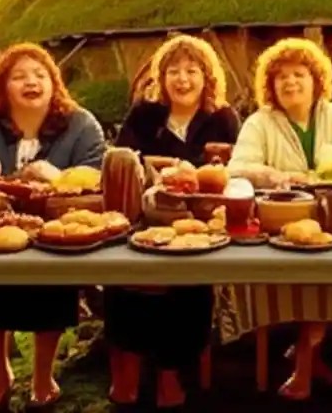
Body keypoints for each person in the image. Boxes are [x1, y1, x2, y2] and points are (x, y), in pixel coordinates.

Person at [222, 37, 332, 401]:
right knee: (302, 268)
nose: (290, 83)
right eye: (281, 77)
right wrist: (278, 177)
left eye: (299, 74)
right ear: (270, 86)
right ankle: (309, 353)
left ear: (316, 80)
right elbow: (237, 168)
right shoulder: (261, 122)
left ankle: (305, 354)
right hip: (283, 227)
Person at [0, 43, 105, 412]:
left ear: (54, 83)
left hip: (55, 230)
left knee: (49, 283)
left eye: (39, 75)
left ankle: (43, 374)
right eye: (18, 76)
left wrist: (57, 180)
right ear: (3, 86)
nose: (30, 82)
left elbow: (96, 180)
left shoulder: (81, 124)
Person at [107, 35, 240, 408]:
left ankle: (170, 373)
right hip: (144, 219)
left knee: (188, 279)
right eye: (174, 72)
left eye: (192, 71)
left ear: (207, 77)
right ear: (161, 79)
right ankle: (127, 368)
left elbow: (236, 169)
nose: (183, 79)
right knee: (124, 271)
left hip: (198, 221)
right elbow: (124, 160)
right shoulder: (144, 115)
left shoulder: (223, 118)